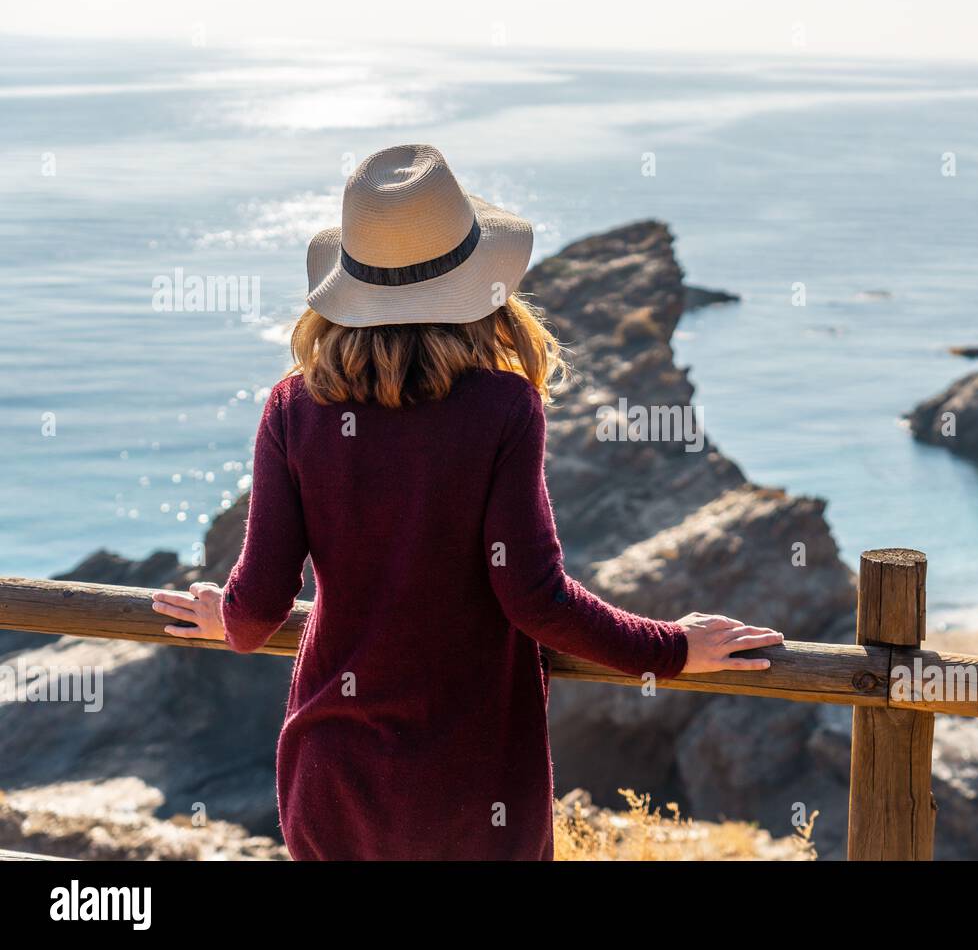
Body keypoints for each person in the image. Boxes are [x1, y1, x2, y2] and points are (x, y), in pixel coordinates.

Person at [148, 145, 781, 861]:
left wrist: (223, 615)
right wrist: (671, 650)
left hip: (334, 775)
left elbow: (259, 607)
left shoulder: (294, 406)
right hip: (472, 788)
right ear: (478, 283)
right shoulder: (504, 407)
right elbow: (534, 599)